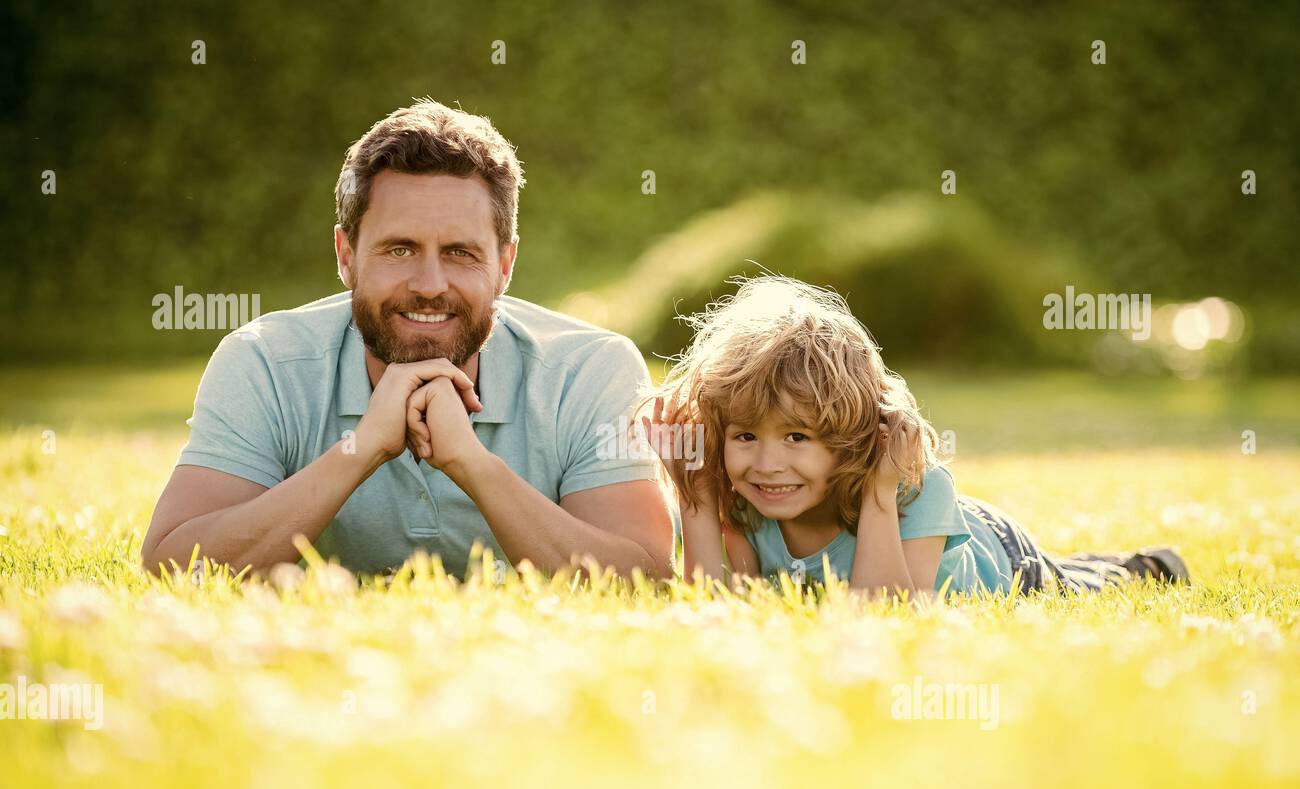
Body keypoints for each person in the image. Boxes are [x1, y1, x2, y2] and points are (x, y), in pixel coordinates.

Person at [141, 99, 673, 580]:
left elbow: (644, 578)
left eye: (461, 253)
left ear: (505, 265)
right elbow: (171, 564)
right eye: (399, 250)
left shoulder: (591, 369)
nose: (429, 285)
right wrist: (363, 447)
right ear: (346, 255)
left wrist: (472, 464)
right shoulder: (263, 361)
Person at [639, 276, 1190, 599]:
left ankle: (1139, 565)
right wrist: (696, 490)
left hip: (1001, 556)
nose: (766, 463)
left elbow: (886, 609)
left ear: (850, 435)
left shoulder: (911, 490)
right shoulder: (744, 498)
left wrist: (880, 497)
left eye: (798, 437)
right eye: (744, 436)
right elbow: (720, 604)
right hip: (935, 523)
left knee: (1076, 583)